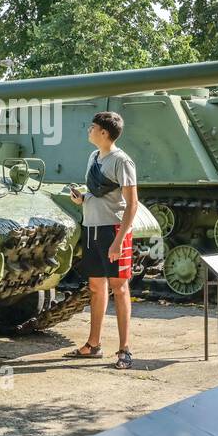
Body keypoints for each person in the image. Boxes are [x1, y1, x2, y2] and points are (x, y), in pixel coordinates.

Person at [67, 111, 139, 369]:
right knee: (96, 288)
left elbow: (132, 204)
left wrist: (119, 240)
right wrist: (82, 199)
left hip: (114, 230)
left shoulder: (122, 161)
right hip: (92, 229)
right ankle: (93, 344)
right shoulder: (93, 157)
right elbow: (99, 193)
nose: (89, 130)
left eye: (93, 127)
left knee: (120, 289)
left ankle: (124, 350)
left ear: (105, 133)